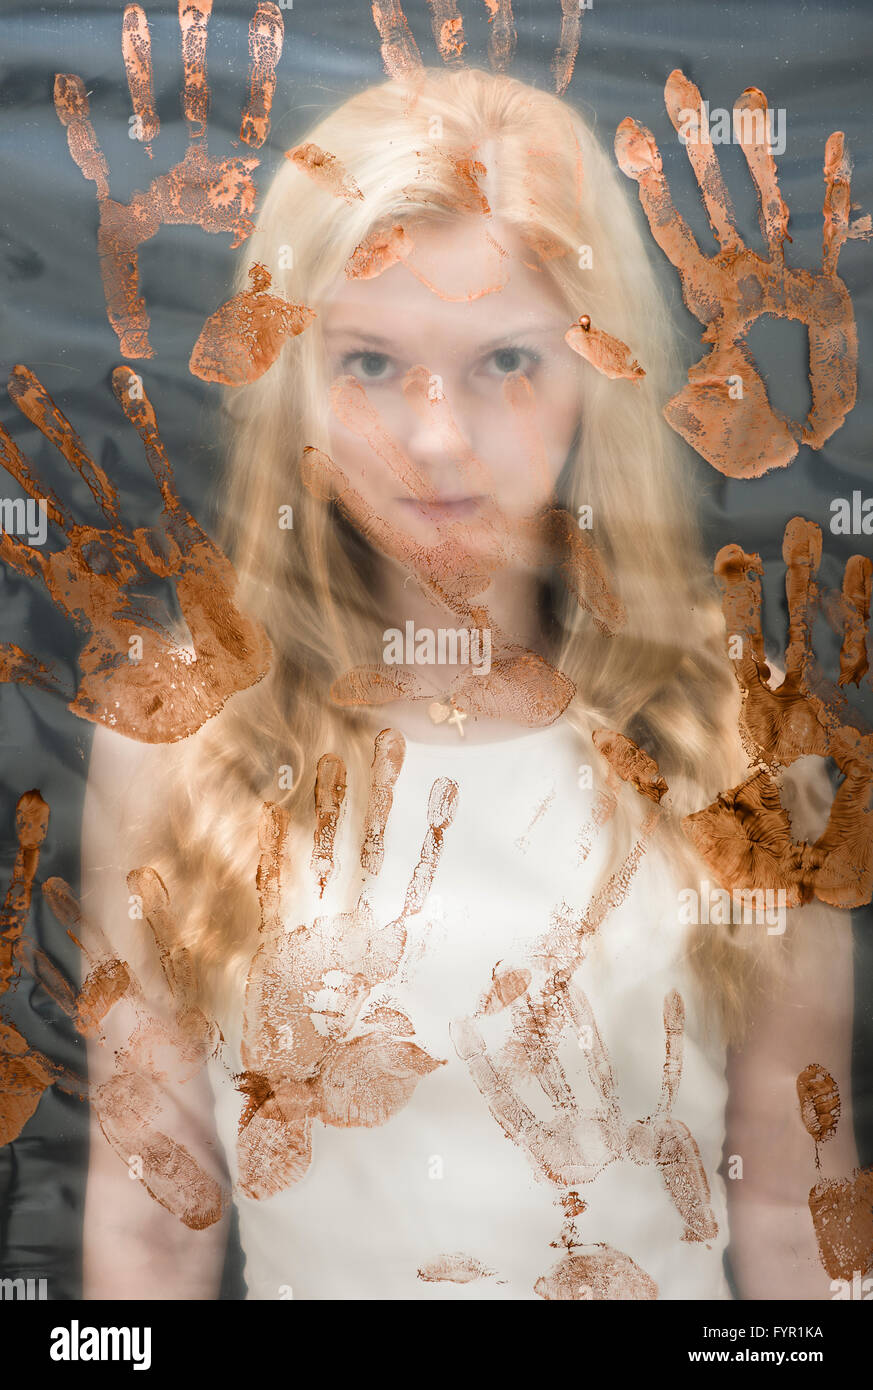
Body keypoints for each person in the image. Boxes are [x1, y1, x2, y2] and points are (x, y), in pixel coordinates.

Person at [79, 67, 857, 1300]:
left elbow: (793, 1210)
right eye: (371, 361)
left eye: (503, 358)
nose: (438, 437)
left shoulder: (739, 724)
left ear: (598, 369)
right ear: (292, 378)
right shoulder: (183, 734)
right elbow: (148, 1225)